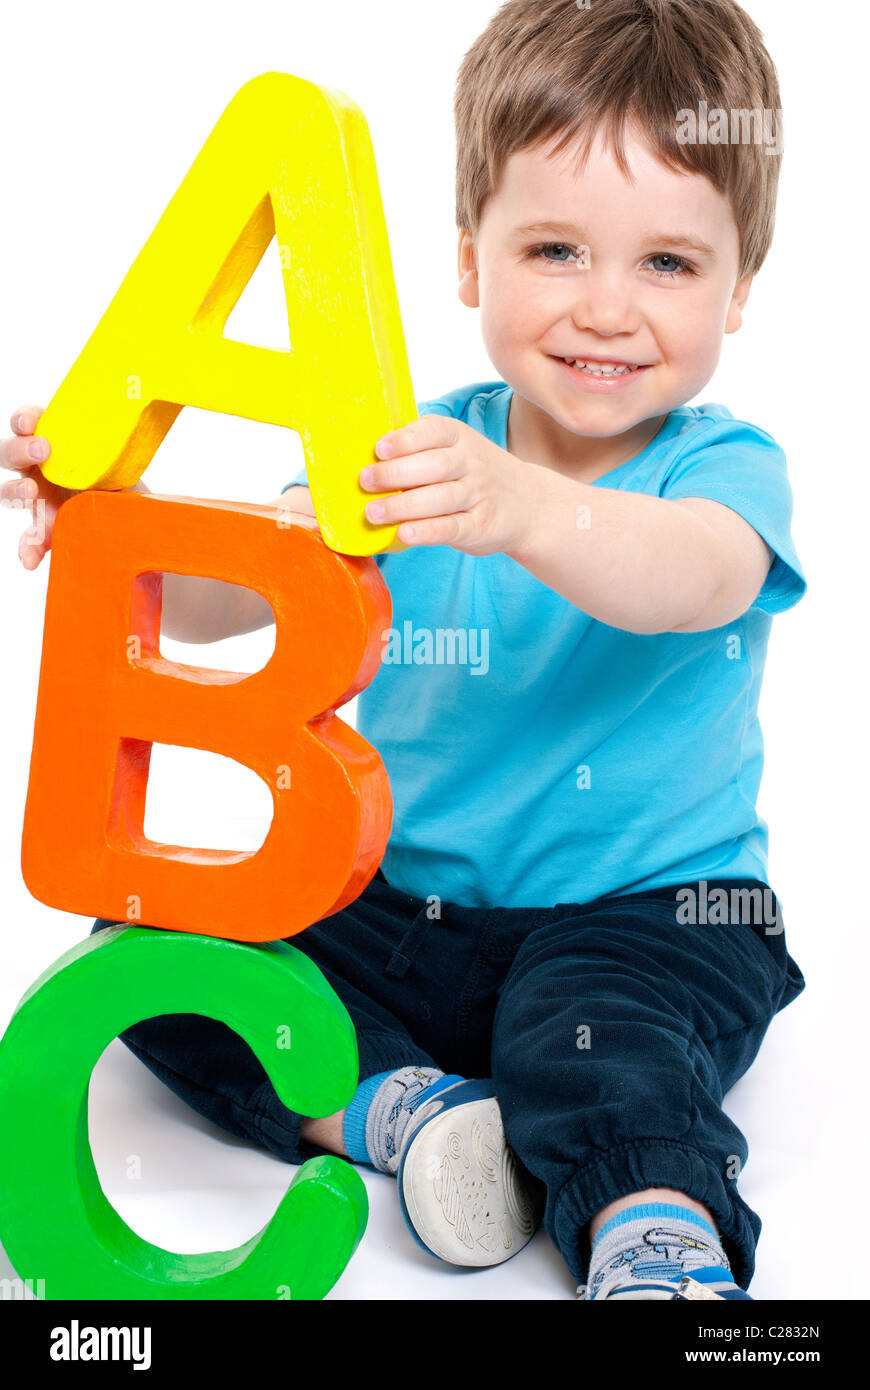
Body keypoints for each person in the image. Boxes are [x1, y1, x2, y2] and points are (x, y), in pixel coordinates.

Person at [1, 0, 807, 1300]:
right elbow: (250, 589)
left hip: (646, 916)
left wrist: (527, 509)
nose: (607, 308)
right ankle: (403, 1112)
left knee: (593, 1054)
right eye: (555, 248)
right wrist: (100, 527)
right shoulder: (400, 448)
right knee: (156, 958)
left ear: (739, 287)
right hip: (397, 908)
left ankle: (653, 1241)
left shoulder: (719, 468)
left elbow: (693, 579)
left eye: (666, 263)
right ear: (468, 263)